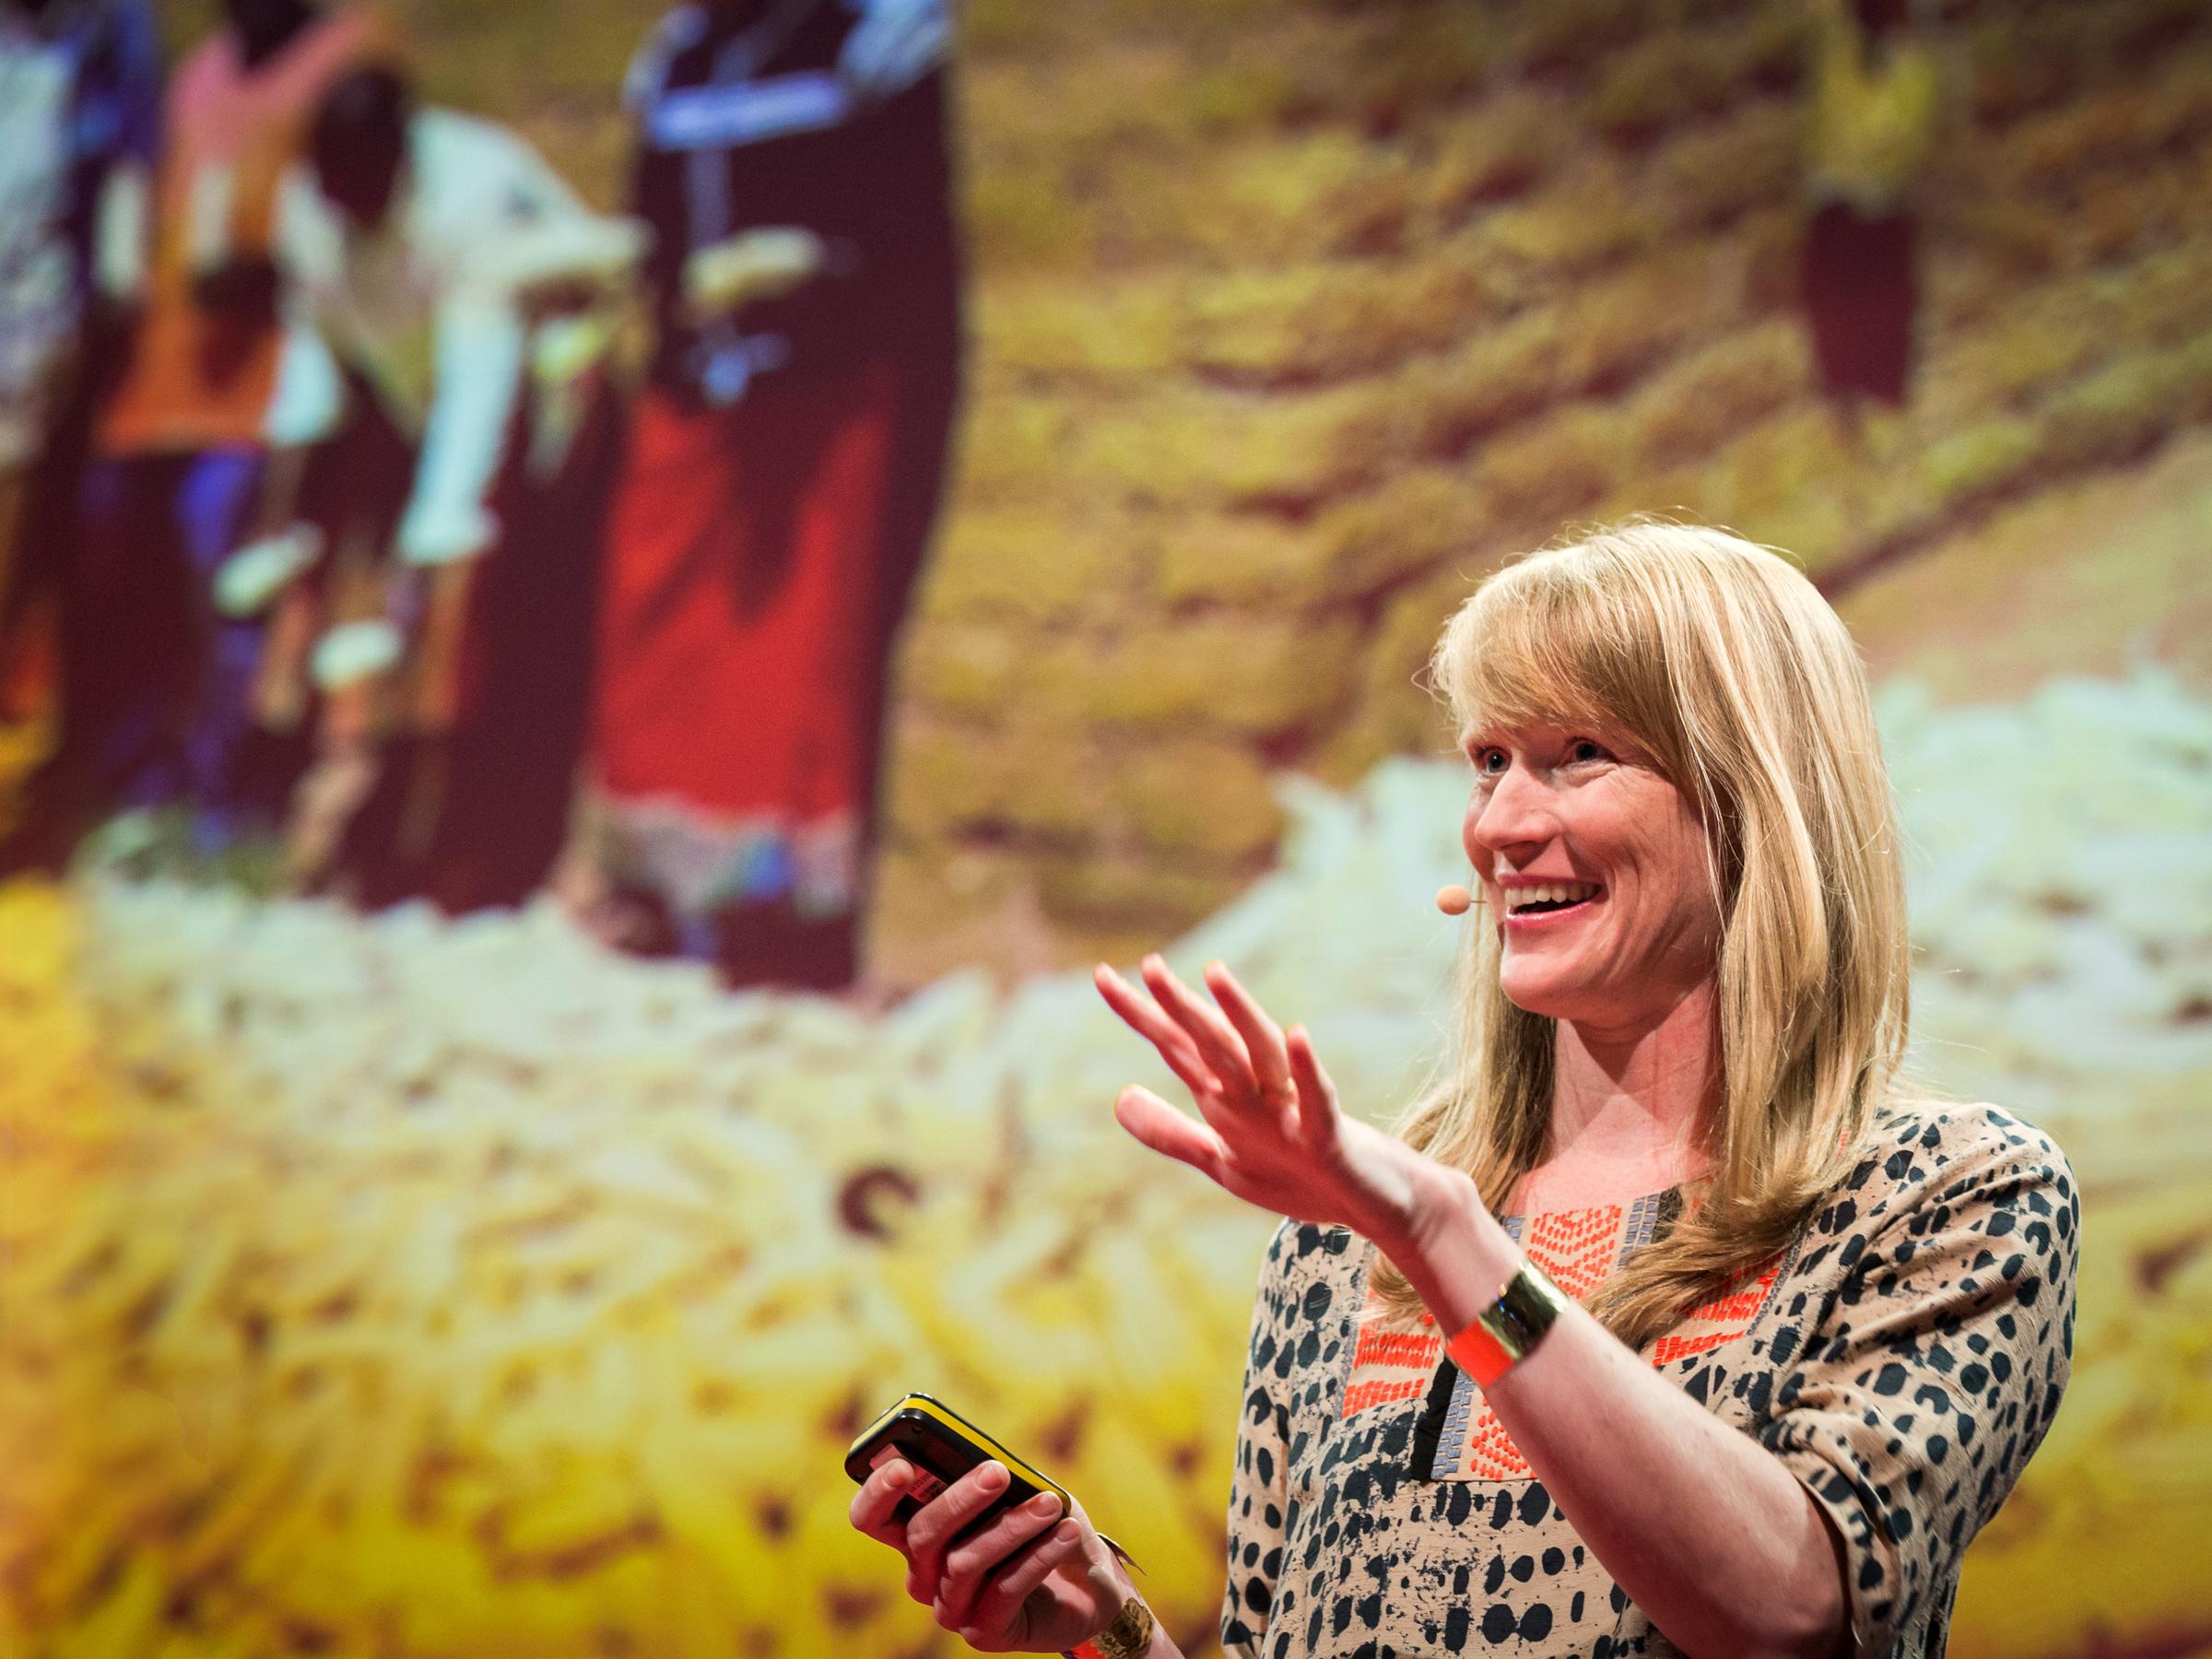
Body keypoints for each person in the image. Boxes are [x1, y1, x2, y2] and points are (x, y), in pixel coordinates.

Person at [848, 523, 2079, 1658]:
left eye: (1579, 755)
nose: (1502, 826)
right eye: (1490, 762)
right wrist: (1101, 1628)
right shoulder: (1344, 1245)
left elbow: (1795, 1611)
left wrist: (1445, 1238)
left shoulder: (1949, 1197)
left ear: (1754, 798)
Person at [575, 0, 963, 991]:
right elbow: (653, 215)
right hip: (695, 393)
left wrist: (811, 267)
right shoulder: (680, 55)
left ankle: (780, 918)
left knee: (793, 666)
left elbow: (911, 236)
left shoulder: (874, 41)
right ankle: (656, 889)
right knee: (657, 634)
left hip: (821, 400)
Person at [254, 65, 643, 905]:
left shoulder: (472, 191)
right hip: (418, 405)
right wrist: (282, 522)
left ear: (399, 159)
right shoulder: (309, 210)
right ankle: (393, 836)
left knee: (516, 628)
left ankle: (495, 851)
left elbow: (480, 383)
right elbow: (314, 366)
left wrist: (441, 541)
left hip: (546, 405)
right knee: (391, 619)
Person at [53, 0, 394, 853]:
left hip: (261, 391)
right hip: (156, 385)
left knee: (237, 582)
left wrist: (265, 274)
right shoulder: (201, 72)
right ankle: (136, 777)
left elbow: (356, 218)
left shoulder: (344, 56)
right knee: (131, 582)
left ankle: (231, 791)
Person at [1800, 0, 1938, 440]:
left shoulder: (1907, 61)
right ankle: (1854, 396)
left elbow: (1907, 132)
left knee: (1876, 308)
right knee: (1843, 309)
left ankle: (1872, 397)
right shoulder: (1843, 43)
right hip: (1844, 199)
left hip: (1872, 201)